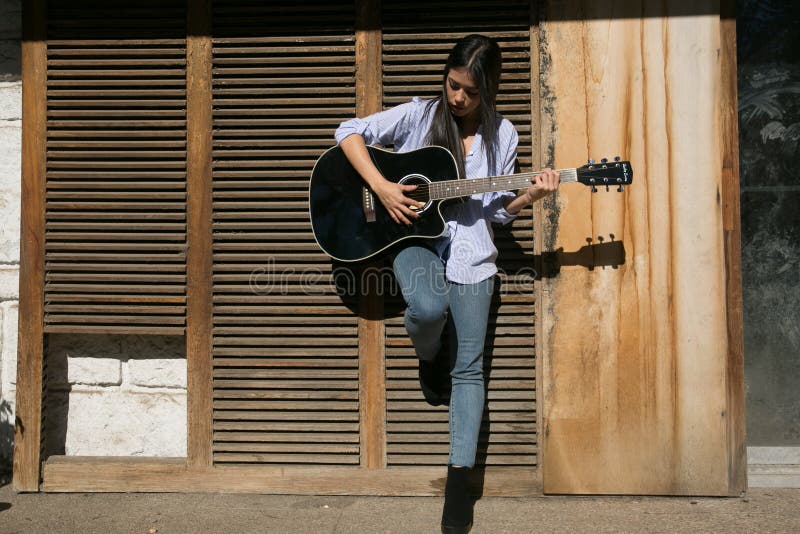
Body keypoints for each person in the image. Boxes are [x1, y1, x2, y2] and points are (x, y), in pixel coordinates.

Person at [335, 34, 559, 534]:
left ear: (490, 90)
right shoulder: (418, 116)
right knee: (427, 309)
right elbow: (347, 130)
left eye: (470, 92)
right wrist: (382, 185)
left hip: (474, 255)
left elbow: (497, 212)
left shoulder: (506, 136)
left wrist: (533, 197)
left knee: (472, 369)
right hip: (413, 242)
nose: (457, 98)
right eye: (453, 85)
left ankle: (459, 489)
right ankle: (429, 353)